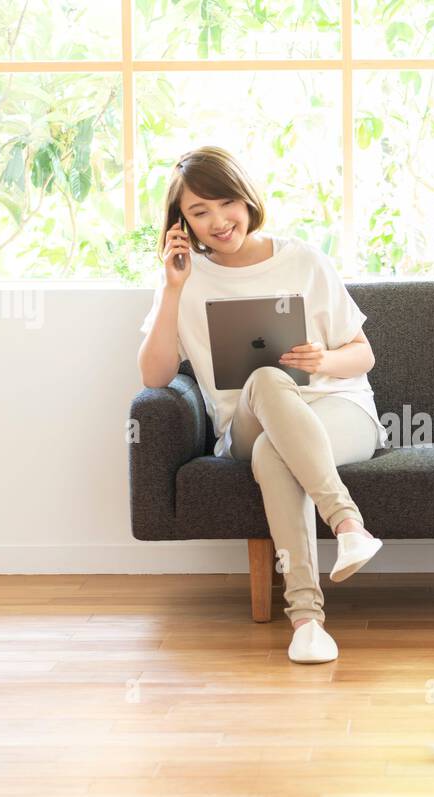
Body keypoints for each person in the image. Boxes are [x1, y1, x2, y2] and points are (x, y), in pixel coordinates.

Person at [138, 146, 386, 664]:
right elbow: (155, 376)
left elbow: (363, 355)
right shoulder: (185, 279)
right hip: (247, 423)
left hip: (338, 409)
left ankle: (307, 621)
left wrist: (322, 358)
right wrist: (171, 287)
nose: (217, 221)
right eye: (198, 213)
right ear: (181, 223)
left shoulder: (303, 259)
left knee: (276, 454)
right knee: (268, 378)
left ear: (246, 198)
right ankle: (349, 525)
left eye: (224, 203)